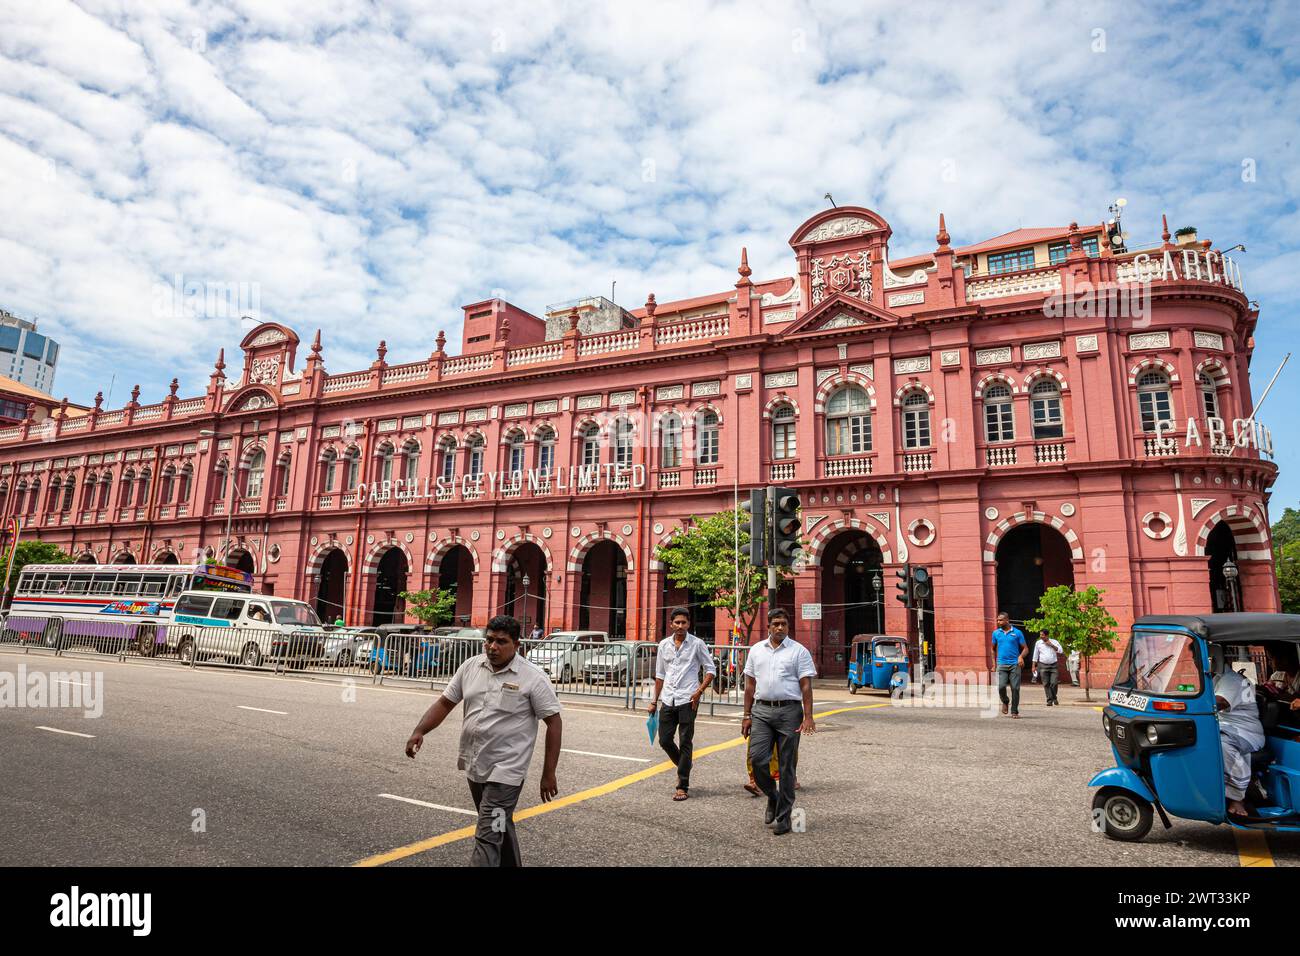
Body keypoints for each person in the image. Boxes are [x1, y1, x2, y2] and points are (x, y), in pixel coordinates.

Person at [405, 614, 562, 866]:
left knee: (488, 834)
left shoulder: (532, 677)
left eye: (501, 642)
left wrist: (549, 773)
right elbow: (445, 702)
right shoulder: (470, 667)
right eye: (488, 640)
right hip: (476, 764)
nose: (492, 647)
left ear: (517, 645)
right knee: (499, 827)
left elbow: (554, 723)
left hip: (507, 773)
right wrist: (419, 730)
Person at [743, 607, 816, 836]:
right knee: (757, 759)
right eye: (776, 624)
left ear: (788, 626)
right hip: (762, 711)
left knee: (786, 767)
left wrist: (809, 716)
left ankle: (784, 817)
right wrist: (746, 715)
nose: (780, 627)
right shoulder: (756, 651)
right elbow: (749, 685)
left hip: (789, 712)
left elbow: (806, 686)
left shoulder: (799, 651)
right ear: (768, 626)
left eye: (784, 624)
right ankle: (772, 797)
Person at [647, 607, 715, 800]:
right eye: (677, 622)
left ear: (688, 624)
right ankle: (685, 764)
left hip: (688, 699)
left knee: (685, 740)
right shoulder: (663, 645)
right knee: (665, 740)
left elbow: (710, 669)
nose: (680, 626)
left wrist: (699, 691)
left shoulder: (697, 644)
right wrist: (654, 701)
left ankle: (682, 785)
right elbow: (660, 674)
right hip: (668, 698)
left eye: (683, 622)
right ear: (671, 624)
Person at [1211, 647, 1265, 819]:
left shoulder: (1231, 680)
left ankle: (1237, 796)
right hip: (1227, 727)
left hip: (1245, 733)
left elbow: (1218, 702)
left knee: (1221, 743)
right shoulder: (1215, 679)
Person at [991, 612, 1027, 718]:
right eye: (997, 620)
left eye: (1001, 620)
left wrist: (1020, 657)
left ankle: (1014, 711)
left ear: (1007, 620)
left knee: (1015, 688)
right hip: (1001, 664)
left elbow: (1025, 648)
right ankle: (1005, 701)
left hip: (1014, 664)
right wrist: (994, 664)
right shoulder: (996, 633)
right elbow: (992, 649)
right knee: (1001, 686)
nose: (998, 622)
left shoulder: (1017, 632)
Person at [1032, 634, 1064, 706]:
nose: (1041, 636)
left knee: (1054, 683)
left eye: (1042, 635)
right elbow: (1035, 655)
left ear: (1047, 635)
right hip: (1043, 665)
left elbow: (1061, 651)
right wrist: (1033, 666)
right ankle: (1049, 700)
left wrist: (1051, 645)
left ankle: (1054, 697)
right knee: (1046, 684)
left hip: (1053, 666)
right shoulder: (1038, 643)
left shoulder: (1054, 642)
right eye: (1040, 635)